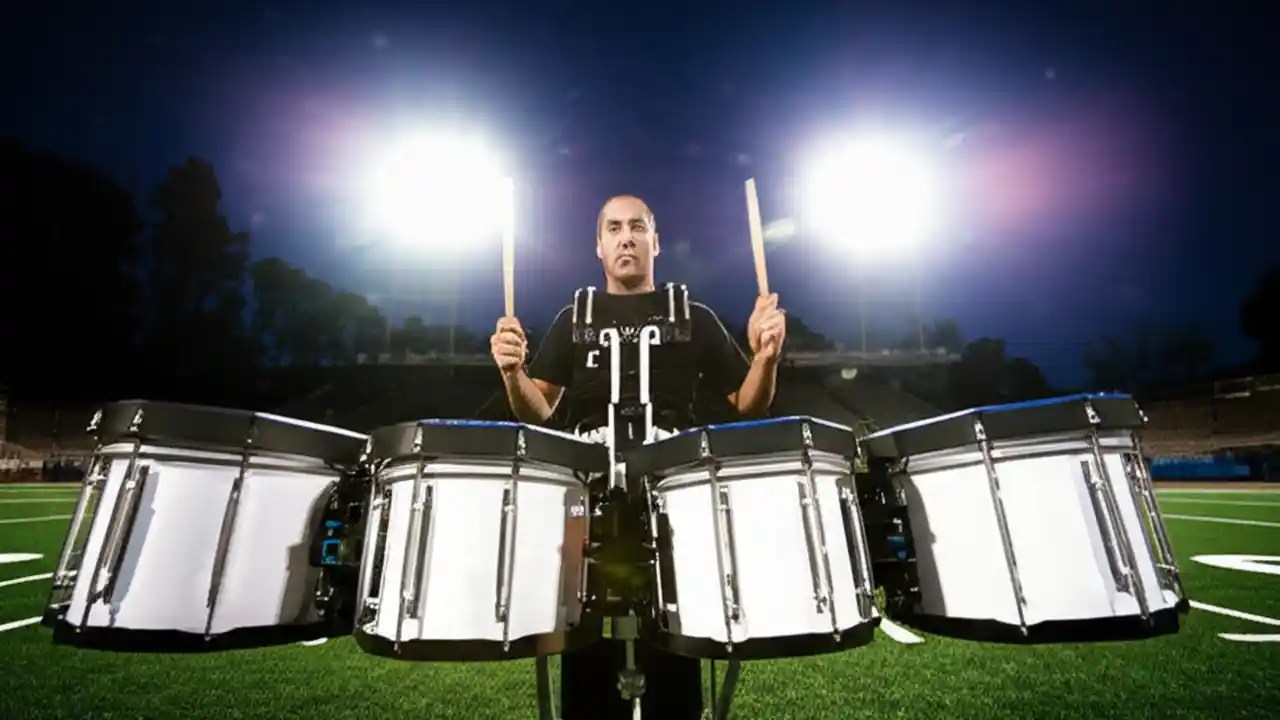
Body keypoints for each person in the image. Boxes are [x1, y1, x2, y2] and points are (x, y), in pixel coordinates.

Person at [488, 193, 786, 720]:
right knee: (586, 649)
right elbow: (539, 411)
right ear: (599, 246)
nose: (626, 237)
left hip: (671, 504)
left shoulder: (692, 316)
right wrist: (513, 373)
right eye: (614, 229)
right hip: (590, 504)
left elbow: (747, 401)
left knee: (673, 640)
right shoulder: (573, 317)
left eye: (637, 227)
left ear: (656, 241)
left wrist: (766, 357)